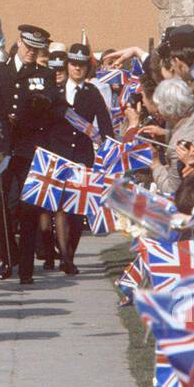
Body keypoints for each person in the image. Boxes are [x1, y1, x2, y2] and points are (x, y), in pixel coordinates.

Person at [0, 24, 61, 284]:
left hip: (31, 148)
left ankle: (27, 267)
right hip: (5, 147)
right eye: (28, 47)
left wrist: (45, 105)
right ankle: (9, 259)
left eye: (37, 49)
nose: (32, 52)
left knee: (29, 207)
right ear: (19, 42)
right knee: (4, 206)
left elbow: (56, 109)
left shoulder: (45, 75)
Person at [44, 43, 113, 274]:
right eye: (73, 64)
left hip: (82, 156)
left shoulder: (92, 93)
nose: (77, 69)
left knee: (77, 211)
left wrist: (108, 150)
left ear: (87, 68)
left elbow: (105, 125)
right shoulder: (55, 91)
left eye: (82, 65)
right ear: (67, 65)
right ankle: (64, 258)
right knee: (61, 207)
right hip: (59, 154)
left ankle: (70, 254)